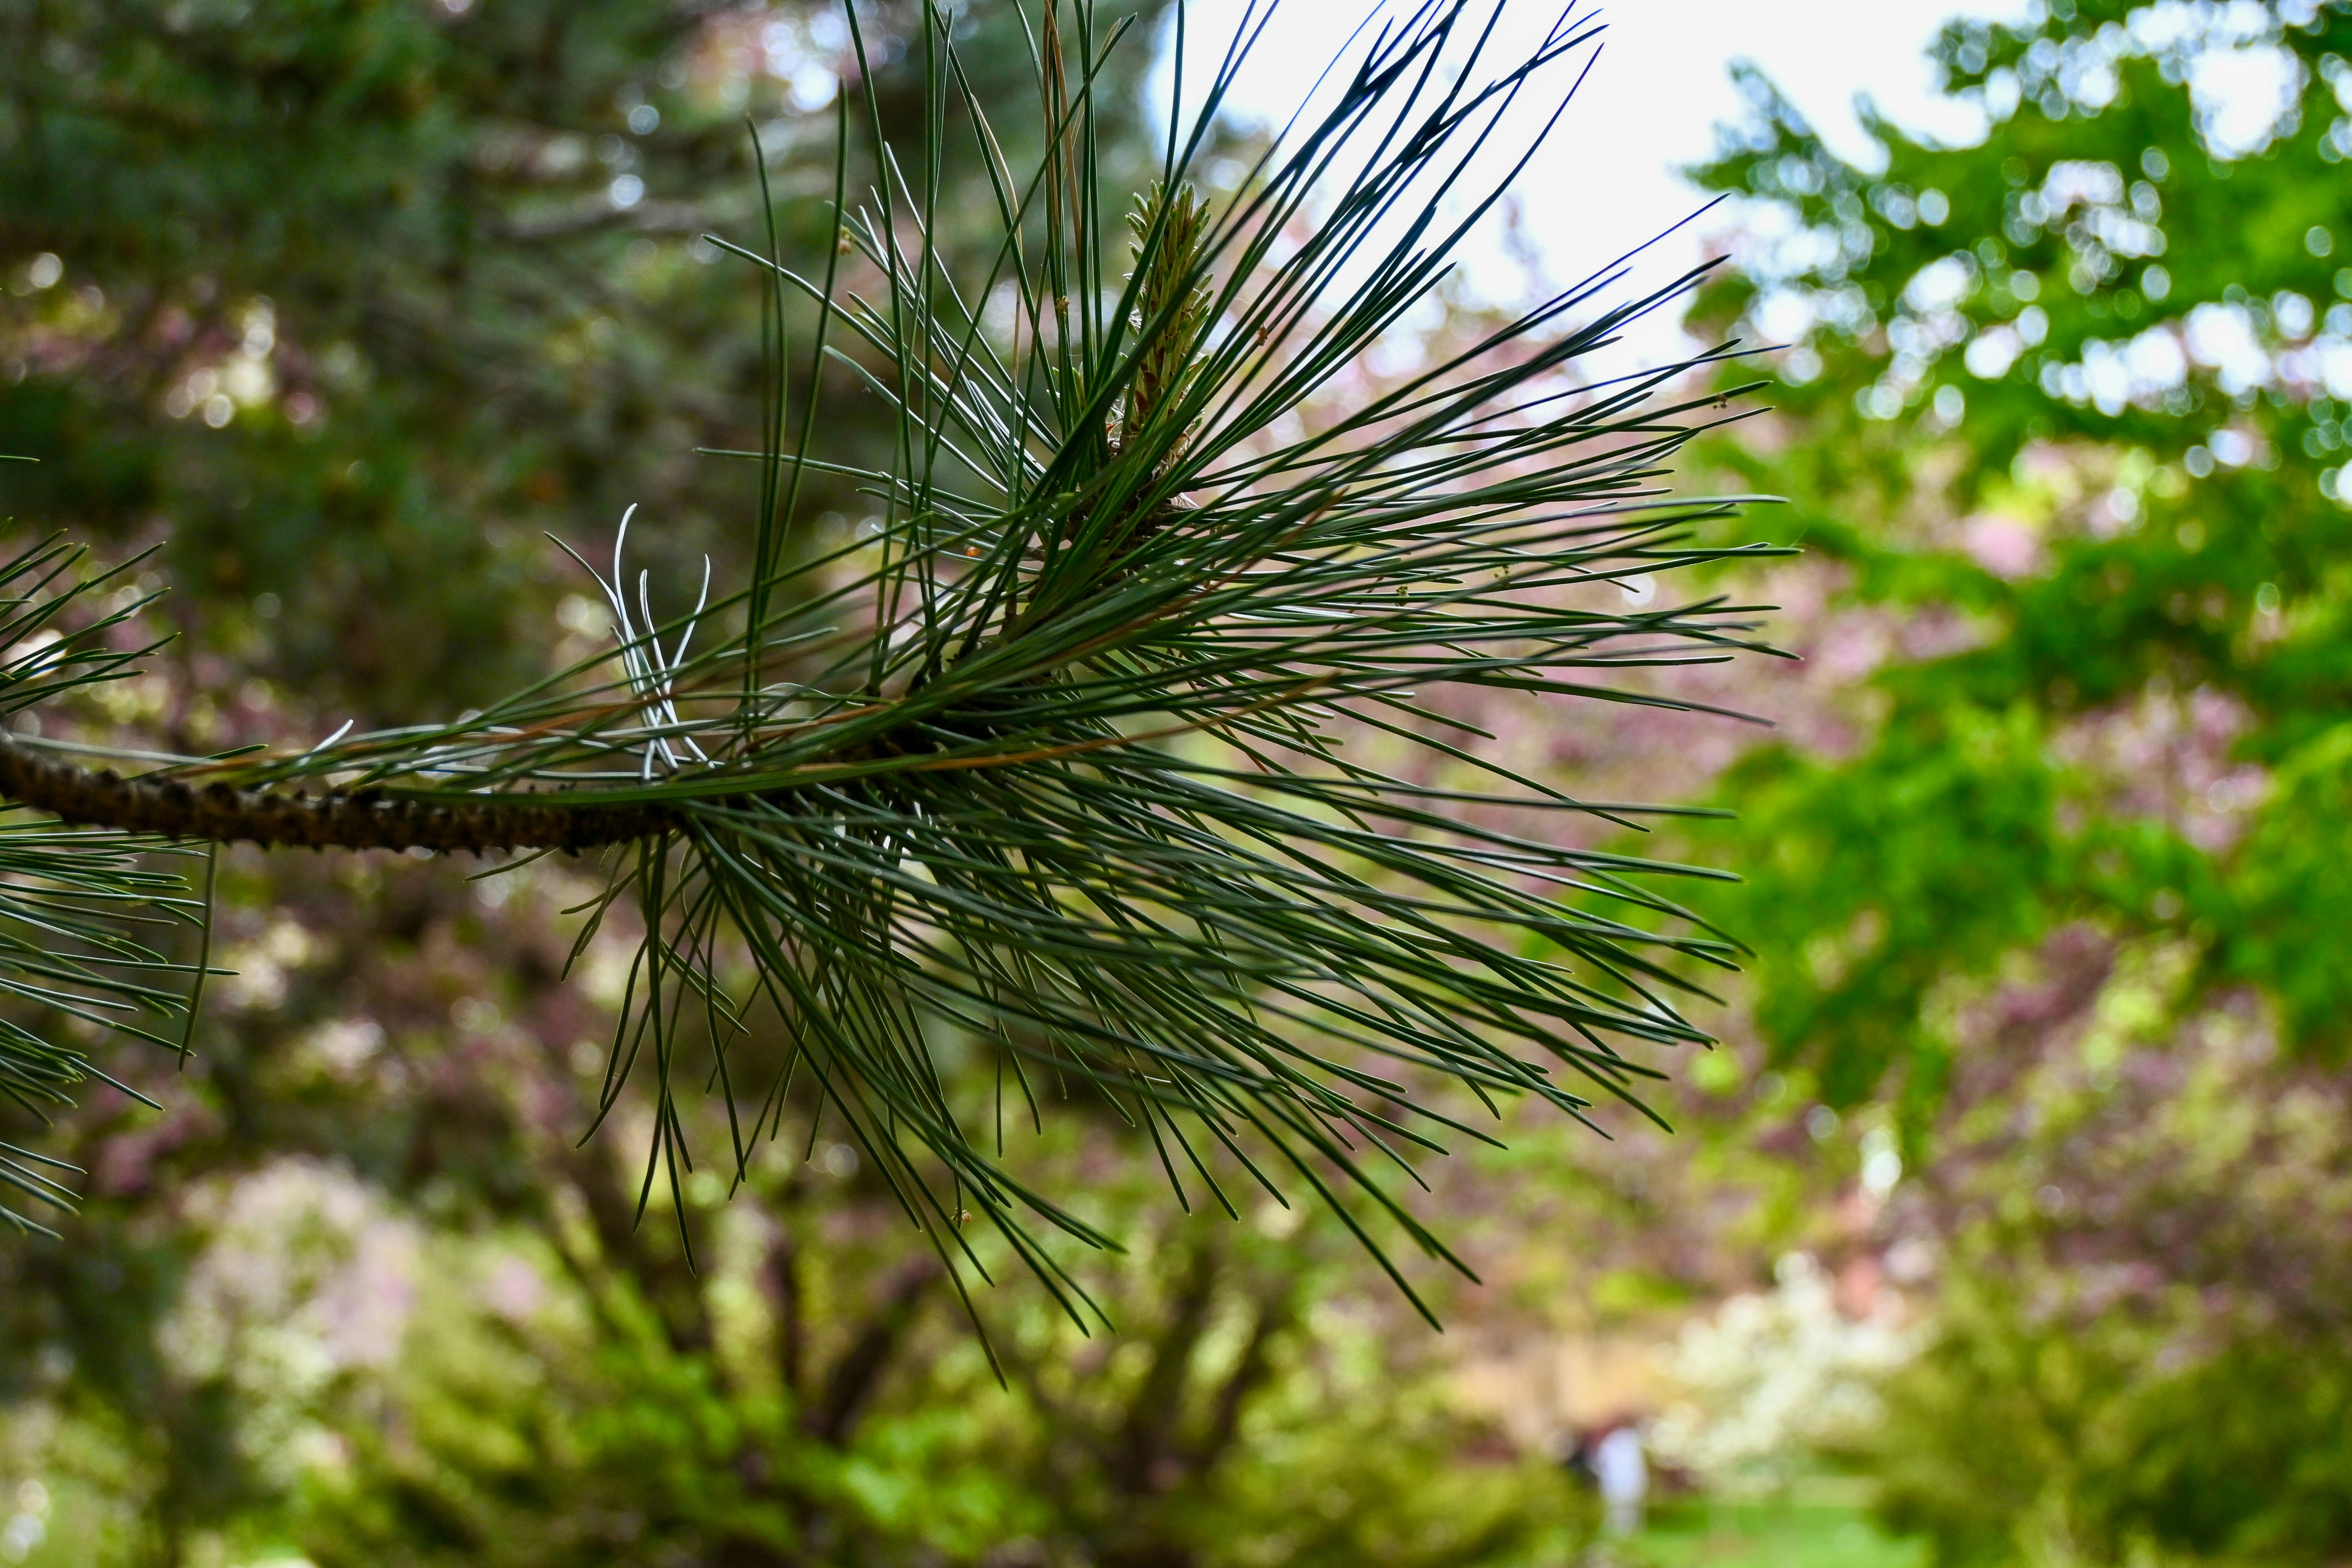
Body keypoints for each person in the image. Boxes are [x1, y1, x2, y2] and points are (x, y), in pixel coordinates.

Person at [1591, 1421, 1647, 1537]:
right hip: (1620, 1480)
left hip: (1623, 1480)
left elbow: (1599, 1463)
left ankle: (1626, 1532)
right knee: (1621, 1508)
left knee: (1624, 1508)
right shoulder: (1623, 1440)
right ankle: (1623, 1532)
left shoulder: (1621, 1441)